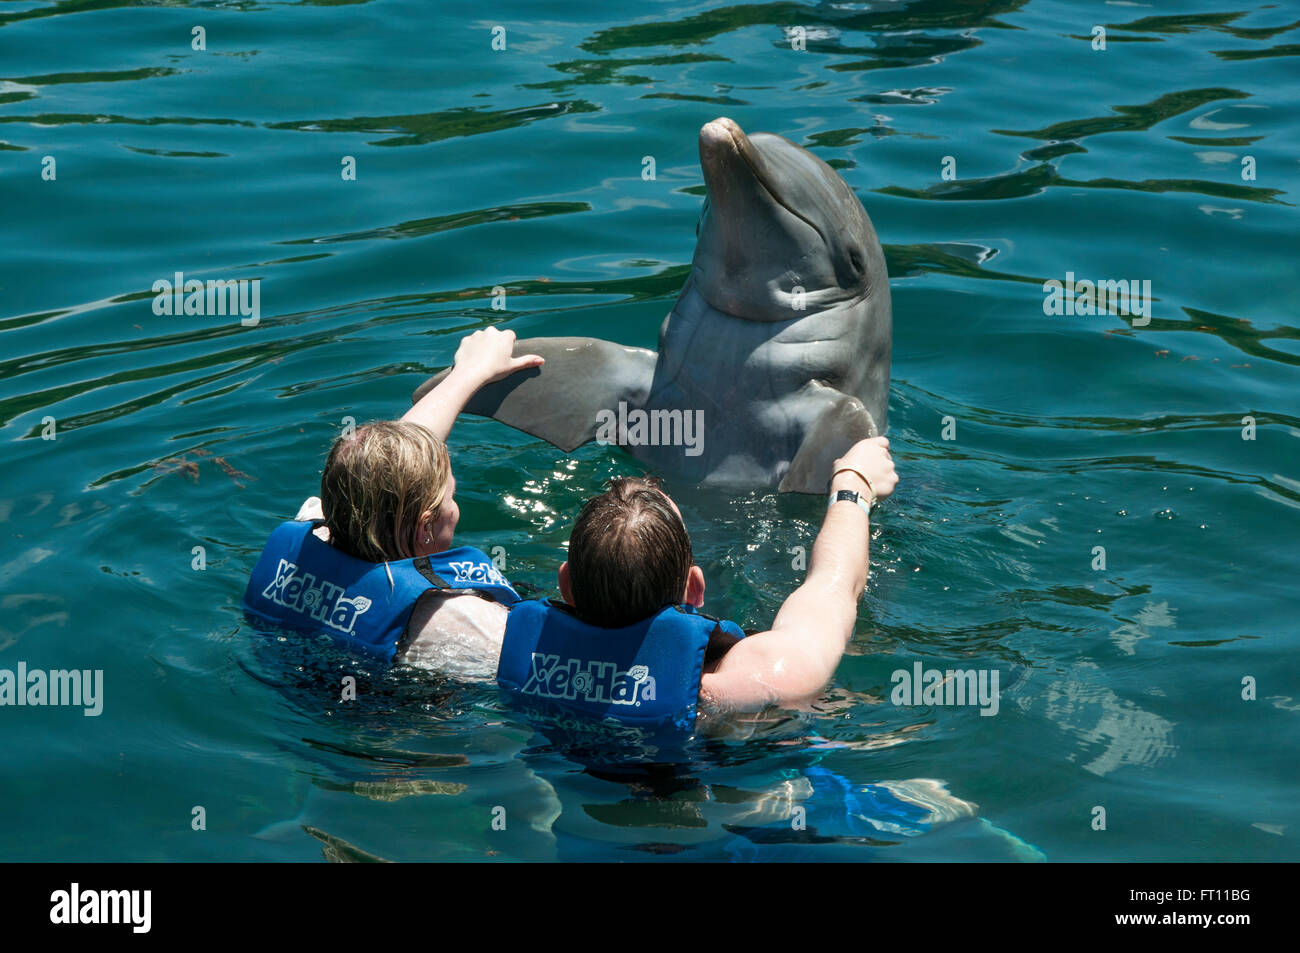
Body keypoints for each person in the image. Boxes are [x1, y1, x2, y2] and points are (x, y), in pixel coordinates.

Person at [489, 436, 898, 732]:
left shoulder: (504, 654)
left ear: (566, 585)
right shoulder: (752, 681)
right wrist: (852, 483)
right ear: (695, 588)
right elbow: (833, 584)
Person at [242, 328, 544, 671]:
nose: (456, 509)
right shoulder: (465, 623)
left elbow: (380, 470)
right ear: (424, 529)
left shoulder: (309, 529)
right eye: (451, 498)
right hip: (401, 719)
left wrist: (470, 372)